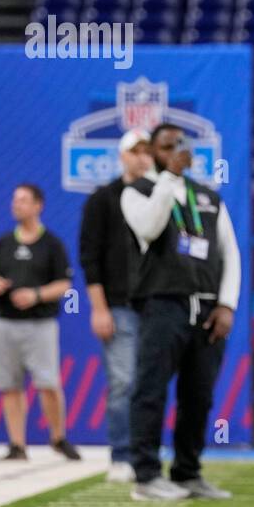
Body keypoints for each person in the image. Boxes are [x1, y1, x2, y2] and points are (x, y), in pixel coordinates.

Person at [121, 123, 240, 501]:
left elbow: (230, 253)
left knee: (199, 395)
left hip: (206, 308)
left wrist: (226, 304)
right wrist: (168, 177)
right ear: (155, 153)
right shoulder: (136, 192)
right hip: (164, 304)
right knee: (150, 390)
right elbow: (149, 227)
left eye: (179, 145)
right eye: (166, 146)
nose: (174, 150)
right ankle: (146, 475)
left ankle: (188, 472)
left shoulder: (208, 197)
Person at [0, 183, 80, 461]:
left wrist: (36, 294)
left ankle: (58, 437)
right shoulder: (3, 242)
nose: (16, 205)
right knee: (9, 384)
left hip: (40, 324)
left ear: (38, 205)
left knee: (48, 383)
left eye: (23, 200)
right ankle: (17, 444)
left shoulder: (52, 244)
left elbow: (64, 284)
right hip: (4, 322)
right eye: (14, 199)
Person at [79, 129, 151, 482]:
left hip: (154, 307)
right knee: (123, 382)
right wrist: (98, 307)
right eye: (134, 151)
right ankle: (121, 455)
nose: (141, 157)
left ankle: (145, 455)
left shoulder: (160, 196)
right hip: (119, 306)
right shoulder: (103, 199)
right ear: (122, 156)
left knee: (148, 385)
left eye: (145, 151)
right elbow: (89, 257)